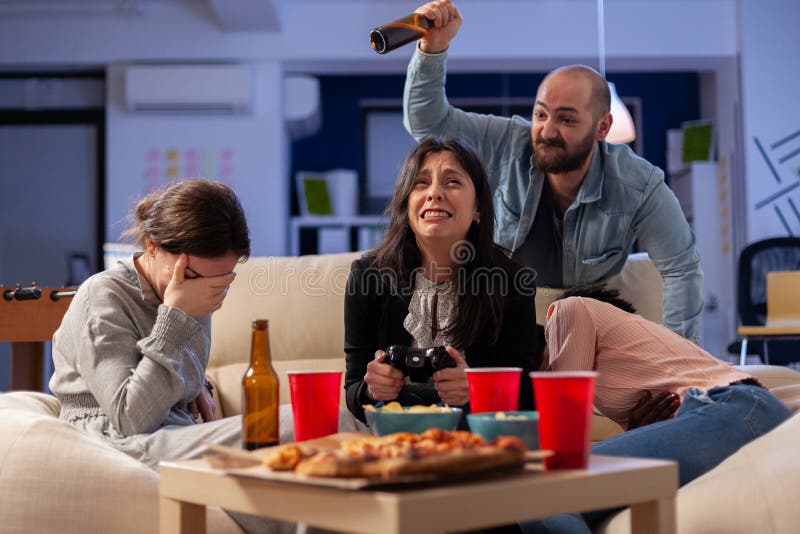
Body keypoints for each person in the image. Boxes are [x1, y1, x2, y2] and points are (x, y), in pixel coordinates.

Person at [49, 179, 357, 534]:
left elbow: (172, 372)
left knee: (321, 461)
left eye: (222, 282)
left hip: (174, 432)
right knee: (320, 424)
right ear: (152, 246)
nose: (208, 293)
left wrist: (197, 385)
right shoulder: (104, 295)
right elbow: (130, 418)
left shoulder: (190, 291)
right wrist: (176, 316)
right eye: (193, 277)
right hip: (116, 442)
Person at [402, 0, 704, 343]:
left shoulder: (638, 183)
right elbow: (428, 123)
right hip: (503, 311)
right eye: (541, 114)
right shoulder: (508, 143)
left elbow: (681, 268)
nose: (546, 131)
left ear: (602, 128)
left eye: (566, 119)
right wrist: (433, 48)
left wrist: (680, 356)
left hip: (587, 317)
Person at [521, 285, 792, 533]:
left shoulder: (568, 309)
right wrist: (634, 428)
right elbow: (649, 439)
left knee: (542, 488)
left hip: (733, 407)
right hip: (738, 416)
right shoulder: (626, 374)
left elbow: (565, 429)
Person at [344, 137, 544, 423]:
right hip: (394, 435)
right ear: (406, 204)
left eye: (452, 182)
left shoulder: (512, 280)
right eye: (421, 183)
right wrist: (372, 390)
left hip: (472, 439)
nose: (434, 193)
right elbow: (352, 389)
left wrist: (475, 389)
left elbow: (524, 396)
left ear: (478, 209)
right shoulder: (367, 276)